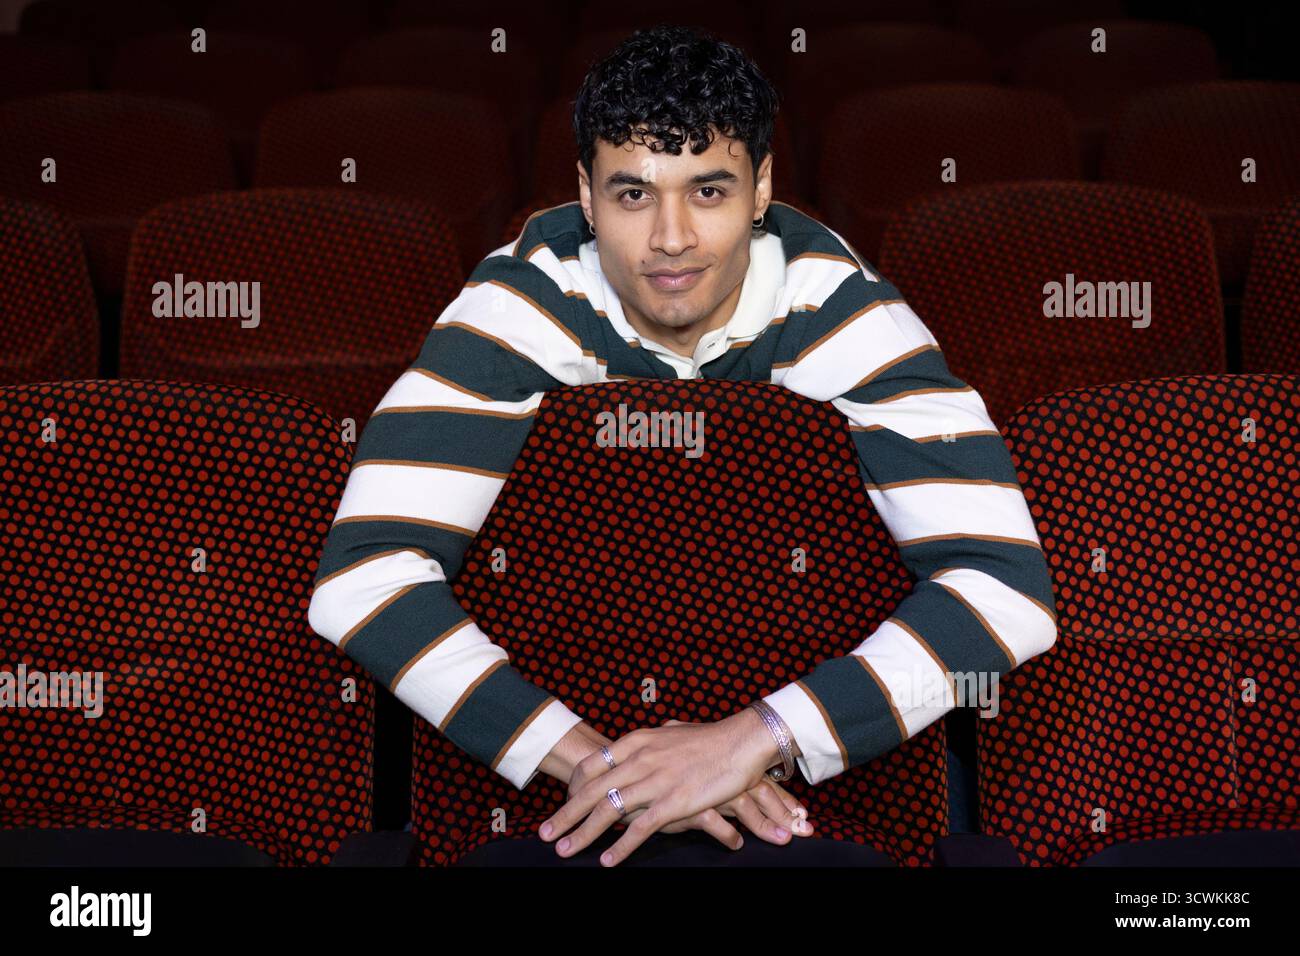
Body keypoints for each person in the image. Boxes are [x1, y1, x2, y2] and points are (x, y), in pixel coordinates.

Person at [307, 25, 1059, 867]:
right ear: (586, 199)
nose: (671, 238)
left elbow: (1007, 593)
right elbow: (362, 580)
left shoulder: (841, 309)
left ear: (761, 189)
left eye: (708, 191)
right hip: (560, 805)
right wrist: (616, 772)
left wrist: (750, 741)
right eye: (632, 194)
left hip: (814, 807)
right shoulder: (522, 302)